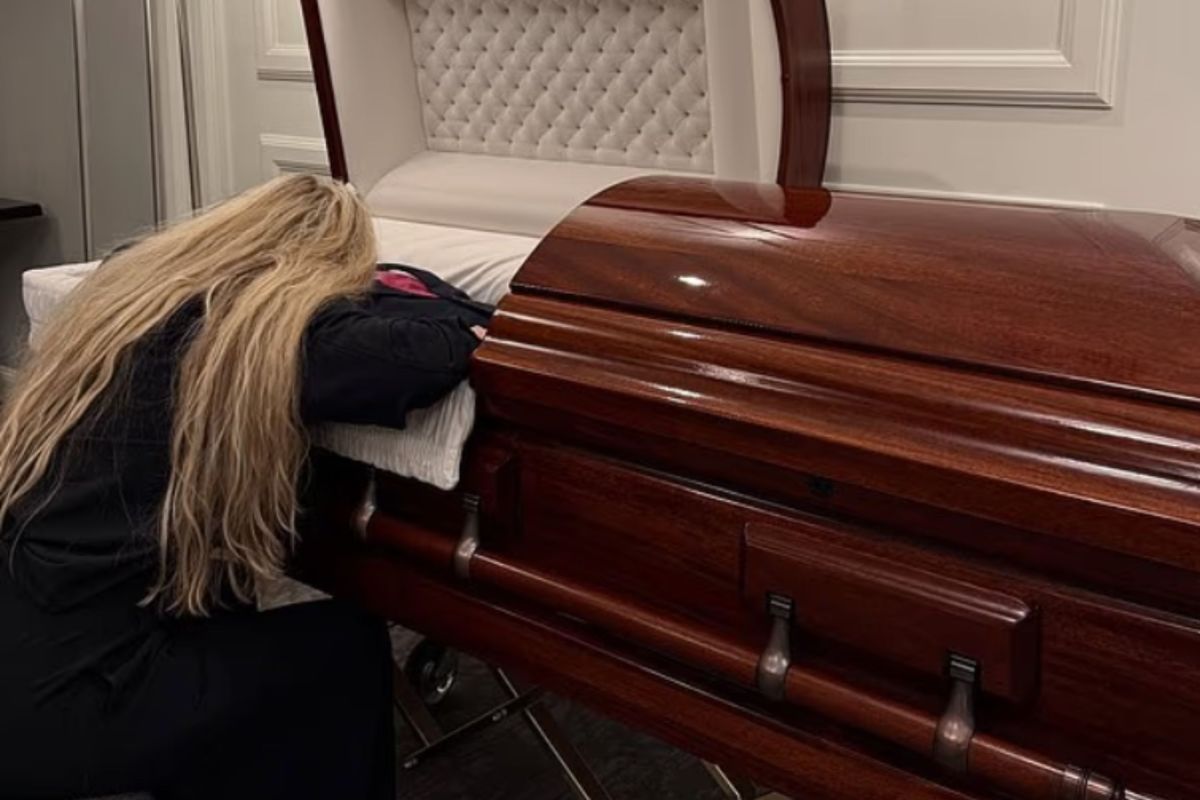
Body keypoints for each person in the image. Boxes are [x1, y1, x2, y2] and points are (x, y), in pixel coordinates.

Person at [0, 175, 491, 799]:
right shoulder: (254, 336)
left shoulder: (129, 301)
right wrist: (396, 285)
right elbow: (434, 349)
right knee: (343, 645)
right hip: (59, 708)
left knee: (224, 607)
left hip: (25, 653)